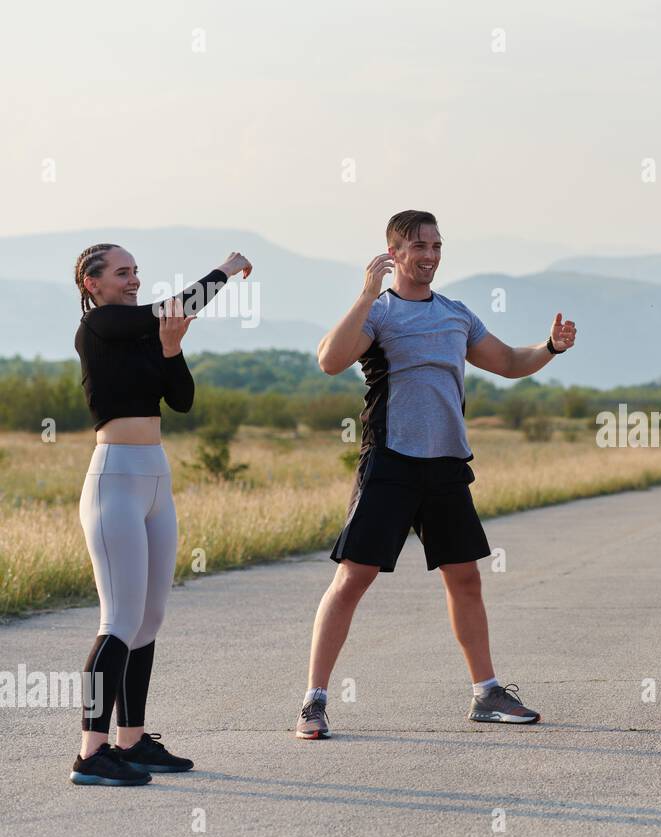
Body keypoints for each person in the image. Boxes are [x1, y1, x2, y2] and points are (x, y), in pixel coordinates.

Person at [296, 210, 577, 739]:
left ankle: (487, 694)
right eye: (418, 246)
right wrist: (365, 294)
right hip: (391, 461)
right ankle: (313, 701)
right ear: (394, 253)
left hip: (446, 465)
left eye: (437, 246)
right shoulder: (378, 313)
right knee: (353, 579)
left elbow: (510, 362)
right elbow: (330, 360)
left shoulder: (456, 315)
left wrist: (551, 348)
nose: (429, 255)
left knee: (465, 578)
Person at [70, 243, 252, 785]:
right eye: (122, 273)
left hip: (155, 480)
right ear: (92, 284)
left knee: (148, 621)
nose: (132, 280)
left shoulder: (148, 332)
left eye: (135, 272)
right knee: (118, 621)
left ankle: (131, 742)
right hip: (114, 483)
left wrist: (172, 350)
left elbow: (183, 400)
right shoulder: (100, 325)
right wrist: (227, 269)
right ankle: (90, 753)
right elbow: (176, 304)